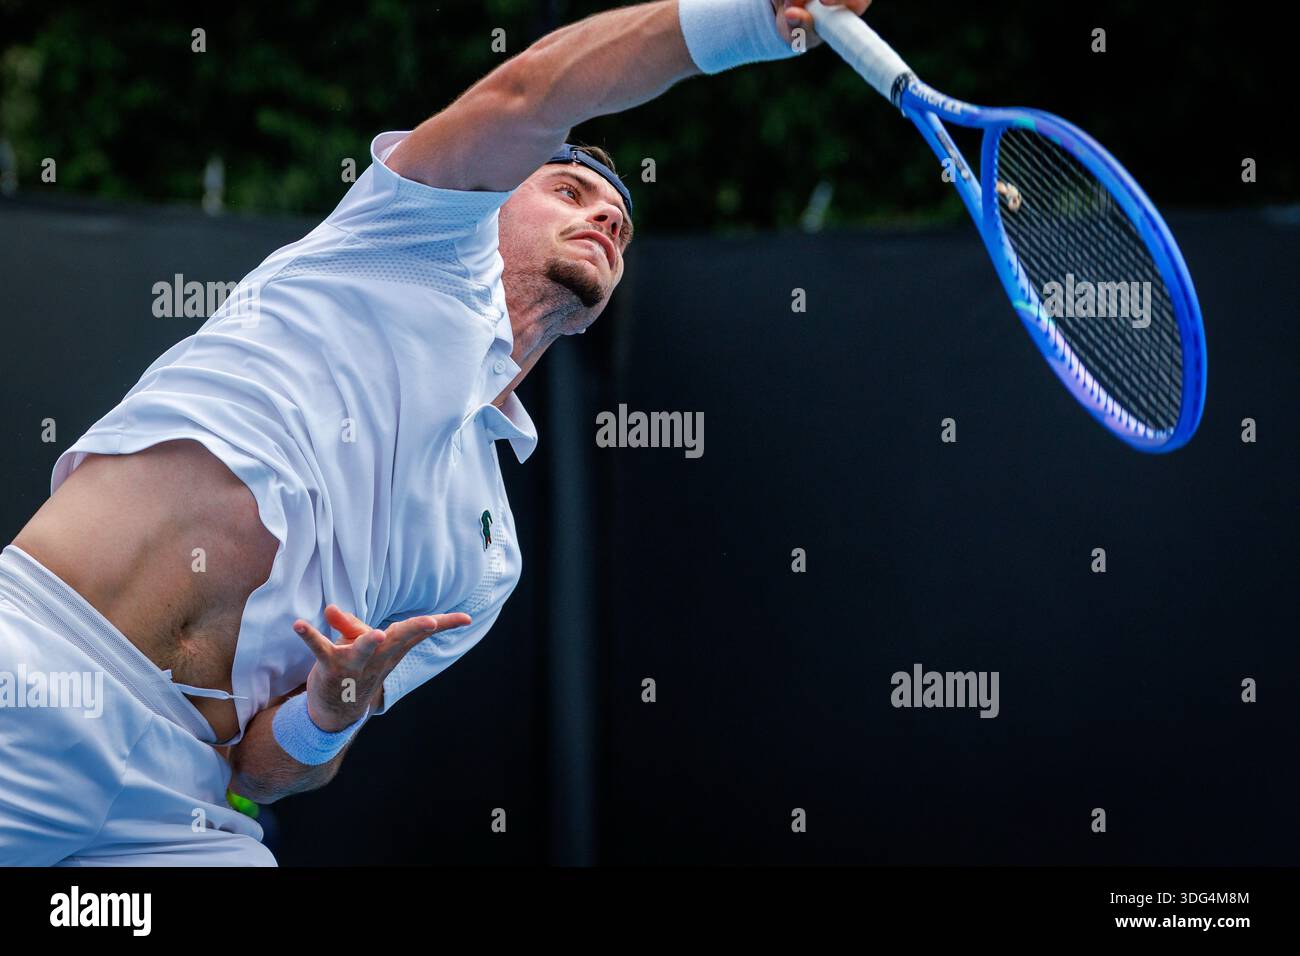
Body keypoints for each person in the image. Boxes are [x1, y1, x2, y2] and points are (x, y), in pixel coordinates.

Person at [0, 0, 870, 866]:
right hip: (34, 670)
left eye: (620, 223)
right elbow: (534, 91)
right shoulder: (404, 238)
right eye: (569, 191)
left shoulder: (487, 563)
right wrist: (759, 17)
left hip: (176, 801)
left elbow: (265, 772)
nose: (605, 219)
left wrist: (327, 711)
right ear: (486, 204)